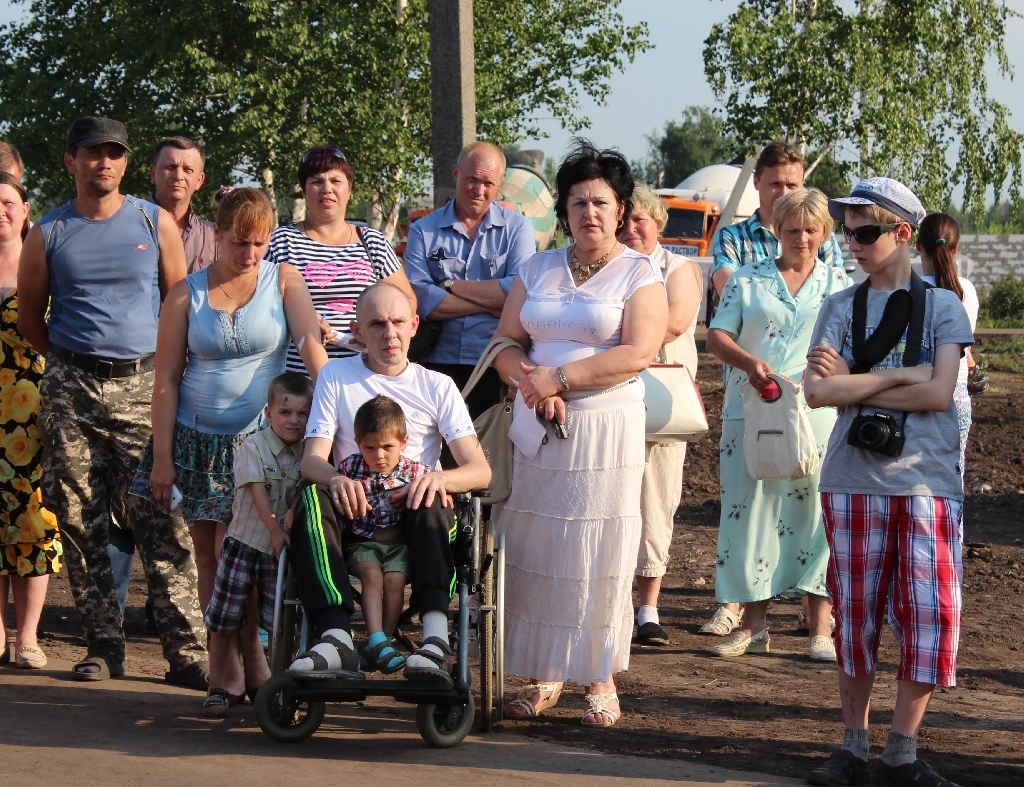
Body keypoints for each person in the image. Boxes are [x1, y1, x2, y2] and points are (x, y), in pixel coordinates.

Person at [17, 116, 207, 685]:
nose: (103, 162)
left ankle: (186, 651)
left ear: (126, 164)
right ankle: (104, 644)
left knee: (163, 515)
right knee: (79, 519)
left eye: (114, 154)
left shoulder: (154, 223)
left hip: (145, 387)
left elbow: (178, 307)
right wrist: (77, 362)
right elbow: (31, 318)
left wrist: (154, 376)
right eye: (91, 153)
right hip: (70, 390)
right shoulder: (47, 232)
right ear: (71, 160)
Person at [490, 139, 667, 728]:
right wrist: (533, 385)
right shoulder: (536, 266)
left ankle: (598, 676)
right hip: (538, 426)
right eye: (577, 201)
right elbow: (505, 342)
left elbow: (639, 352)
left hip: (604, 427)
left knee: (596, 552)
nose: (589, 212)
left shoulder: (640, 272)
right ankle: (543, 677)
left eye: (601, 201)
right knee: (539, 548)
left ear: (620, 209)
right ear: (562, 210)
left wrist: (560, 378)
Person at [803, 178, 973, 787]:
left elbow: (940, 392)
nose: (851, 242)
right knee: (854, 616)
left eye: (865, 231)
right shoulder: (839, 305)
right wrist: (905, 373)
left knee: (929, 616)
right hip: (852, 479)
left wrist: (861, 377)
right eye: (846, 231)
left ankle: (902, 749)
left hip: (926, 485)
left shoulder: (944, 307)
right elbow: (818, 391)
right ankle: (853, 746)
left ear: (903, 233)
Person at [133, 187, 327, 695]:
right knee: (210, 558)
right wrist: (161, 457)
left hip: (257, 445)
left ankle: (255, 663)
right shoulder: (185, 292)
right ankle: (230, 672)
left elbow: (310, 343)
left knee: (247, 555)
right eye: (239, 242)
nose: (249, 254)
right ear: (216, 234)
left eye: (260, 243)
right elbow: (166, 380)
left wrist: (333, 404)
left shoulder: (284, 279)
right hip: (196, 442)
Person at [285, 283, 490, 683]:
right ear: (357, 330)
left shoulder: (437, 385)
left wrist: (437, 478)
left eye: (398, 322)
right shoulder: (336, 375)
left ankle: (433, 638)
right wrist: (336, 478)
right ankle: (336, 636)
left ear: (414, 325)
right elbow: (313, 459)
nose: (389, 333)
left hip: (414, 519)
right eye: (377, 324)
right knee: (313, 495)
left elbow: (479, 470)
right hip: (354, 512)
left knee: (431, 495)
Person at [703, 141, 845, 639]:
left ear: (823, 233)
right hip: (753, 407)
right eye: (791, 229)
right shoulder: (747, 277)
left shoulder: (839, 285)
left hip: (818, 410)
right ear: (776, 231)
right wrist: (748, 361)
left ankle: (820, 630)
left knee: (817, 514)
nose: (801, 238)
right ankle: (754, 626)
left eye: (811, 230)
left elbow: (852, 341)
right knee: (751, 513)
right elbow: (716, 334)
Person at [616, 184, 703, 646]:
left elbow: (674, 321)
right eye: (624, 220)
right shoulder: (606, 265)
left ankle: (647, 608)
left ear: (657, 223)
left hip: (661, 404)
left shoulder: (679, 267)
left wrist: (616, 338)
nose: (631, 229)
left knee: (655, 500)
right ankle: (611, 603)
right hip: (610, 396)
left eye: (640, 221)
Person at [202, 372, 313, 716]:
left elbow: (306, 489)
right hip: (245, 543)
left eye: (302, 413)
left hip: (281, 554)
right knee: (225, 619)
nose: (293, 420)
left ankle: (280, 692)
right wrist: (276, 530)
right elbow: (257, 492)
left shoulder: (311, 453)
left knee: (280, 624)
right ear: (268, 414)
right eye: (285, 412)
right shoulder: (252, 444)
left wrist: (291, 520)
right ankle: (216, 686)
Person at [404, 142, 537, 418]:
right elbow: (420, 299)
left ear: (500, 183)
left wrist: (450, 286)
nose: (479, 190)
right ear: (455, 173)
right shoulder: (422, 229)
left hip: (495, 361)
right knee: (435, 451)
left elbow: (518, 292)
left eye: (488, 182)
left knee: (488, 450)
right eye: (472, 179)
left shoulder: (518, 229)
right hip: (433, 360)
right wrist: (492, 305)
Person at [265, 145, 417, 375]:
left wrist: (376, 326)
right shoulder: (280, 242)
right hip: (299, 379)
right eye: (316, 181)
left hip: (366, 373)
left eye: (336, 181)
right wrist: (300, 320)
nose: (327, 189)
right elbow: (258, 303)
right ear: (304, 191)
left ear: (349, 189)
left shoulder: (373, 242)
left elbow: (407, 300)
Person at [0, 172, 61, 670]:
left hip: (35, 414)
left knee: (35, 522)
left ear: (24, 209)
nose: (0, 211)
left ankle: (28, 636)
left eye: (8, 202)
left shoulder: (43, 263)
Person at [338, 395, 431, 674]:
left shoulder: (416, 471)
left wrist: (445, 494)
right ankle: (377, 638)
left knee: (395, 580)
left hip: (398, 545)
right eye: (369, 447)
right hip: (364, 542)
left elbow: (438, 488)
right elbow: (333, 490)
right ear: (357, 444)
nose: (379, 456)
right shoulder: (350, 468)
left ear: (403, 443)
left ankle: (381, 643)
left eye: (387, 447)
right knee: (372, 575)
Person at [917, 213, 979, 478]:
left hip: (918, 394)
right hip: (958, 396)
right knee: (953, 477)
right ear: (956, 248)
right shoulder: (966, 290)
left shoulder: (908, 292)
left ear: (918, 245)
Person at [150, 136, 217, 274]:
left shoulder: (215, 237)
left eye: (188, 170)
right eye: (170, 167)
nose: (178, 176)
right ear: (152, 173)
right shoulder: (129, 227)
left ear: (199, 180)